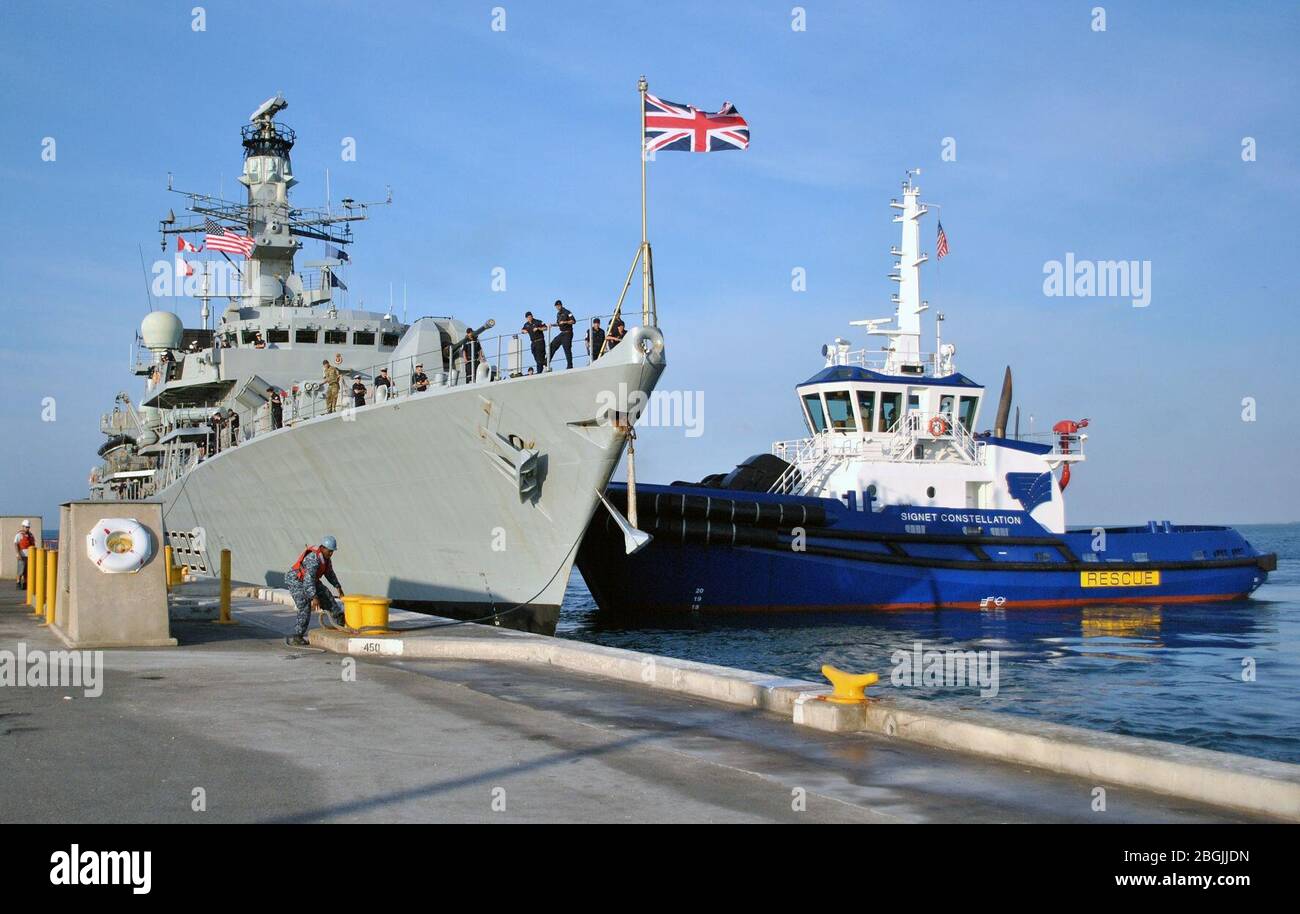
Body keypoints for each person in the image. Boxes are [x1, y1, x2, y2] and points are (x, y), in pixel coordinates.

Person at [283, 536, 346, 646]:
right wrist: (314, 597)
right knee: (305, 606)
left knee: (327, 596)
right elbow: (308, 579)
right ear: (322, 547)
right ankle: (297, 636)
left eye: (332, 551)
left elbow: (329, 573)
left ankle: (339, 621)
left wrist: (338, 587)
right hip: (296, 580)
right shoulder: (313, 558)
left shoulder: (326, 559)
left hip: (310, 580)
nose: (331, 553)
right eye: (329, 551)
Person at [548, 299, 575, 369]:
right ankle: (547, 361)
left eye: (558, 306)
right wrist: (553, 325)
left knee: (567, 349)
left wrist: (565, 322)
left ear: (561, 305)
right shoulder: (558, 314)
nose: (557, 307)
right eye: (556, 306)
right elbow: (558, 323)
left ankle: (570, 365)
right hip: (562, 333)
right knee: (552, 344)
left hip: (568, 333)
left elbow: (573, 321)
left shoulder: (567, 312)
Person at [13, 520, 34, 590]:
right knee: (20, 570)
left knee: (27, 571)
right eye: (26, 527)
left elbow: (33, 544)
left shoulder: (31, 535)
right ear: (23, 527)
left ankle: (25, 583)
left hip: (29, 556)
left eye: (28, 527)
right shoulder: (18, 535)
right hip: (22, 555)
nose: (28, 528)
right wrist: (17, 554)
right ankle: (18, 583)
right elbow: (16, 544)